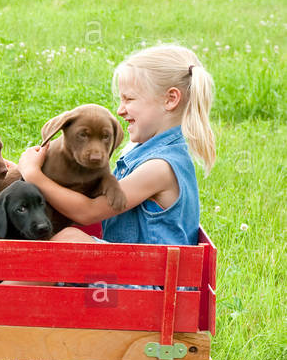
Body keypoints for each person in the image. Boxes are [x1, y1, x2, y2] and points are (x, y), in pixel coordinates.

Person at [18, 43, 215, 246]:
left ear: (170, 99)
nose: (120, 110)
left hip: (146, 275)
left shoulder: (159, 167)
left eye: (129, 99)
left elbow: (88, 212)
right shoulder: (146, 154)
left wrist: (33, 174)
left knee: (67, 240)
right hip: (131, 266)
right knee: (63, 237)